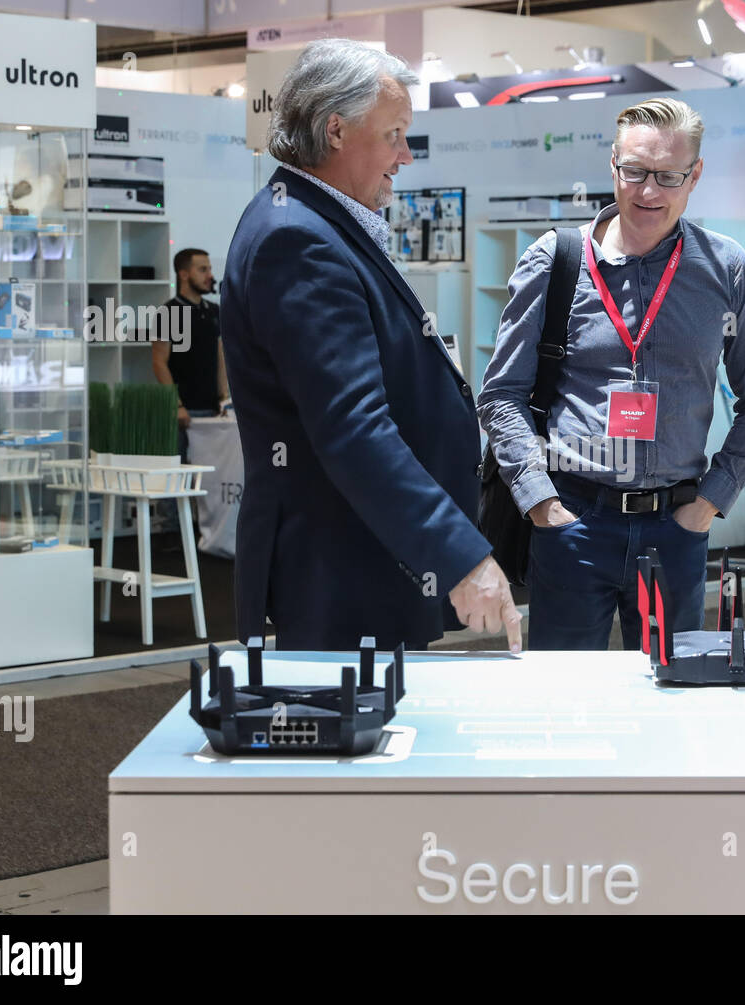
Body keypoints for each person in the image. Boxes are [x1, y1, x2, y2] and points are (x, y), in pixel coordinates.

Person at [220, 40, 520, 653]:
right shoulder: (299, 241)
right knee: (346, 744)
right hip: (338, 575)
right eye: (395, 135)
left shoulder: (315, 223)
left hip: (361, 564)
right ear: (335, 130)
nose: (405, 156)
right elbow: (353, 429)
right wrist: (460, 557)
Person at [478, 97, 745, 651]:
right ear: (612, 165)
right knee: (568, 708)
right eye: (636, 172)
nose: (649, 193)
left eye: (668, 176)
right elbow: (502, 395)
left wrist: (711, 500)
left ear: (695, 175)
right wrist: (541, 502)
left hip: (676, 527)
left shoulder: (726, 269)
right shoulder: (555, 261)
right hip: (573, 522)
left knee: (671, 705)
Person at [151, 247, 225, 462]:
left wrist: (224, 398)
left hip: (211, 410)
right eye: (202, 269)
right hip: (182, 412)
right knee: (177, 476)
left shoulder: (214, 311)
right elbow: (159, 362)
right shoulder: (169, 312)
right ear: (184, 274)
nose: (210, 275)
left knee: (209, 478)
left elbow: (219, 356)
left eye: (209, 269)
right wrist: (177, 405)